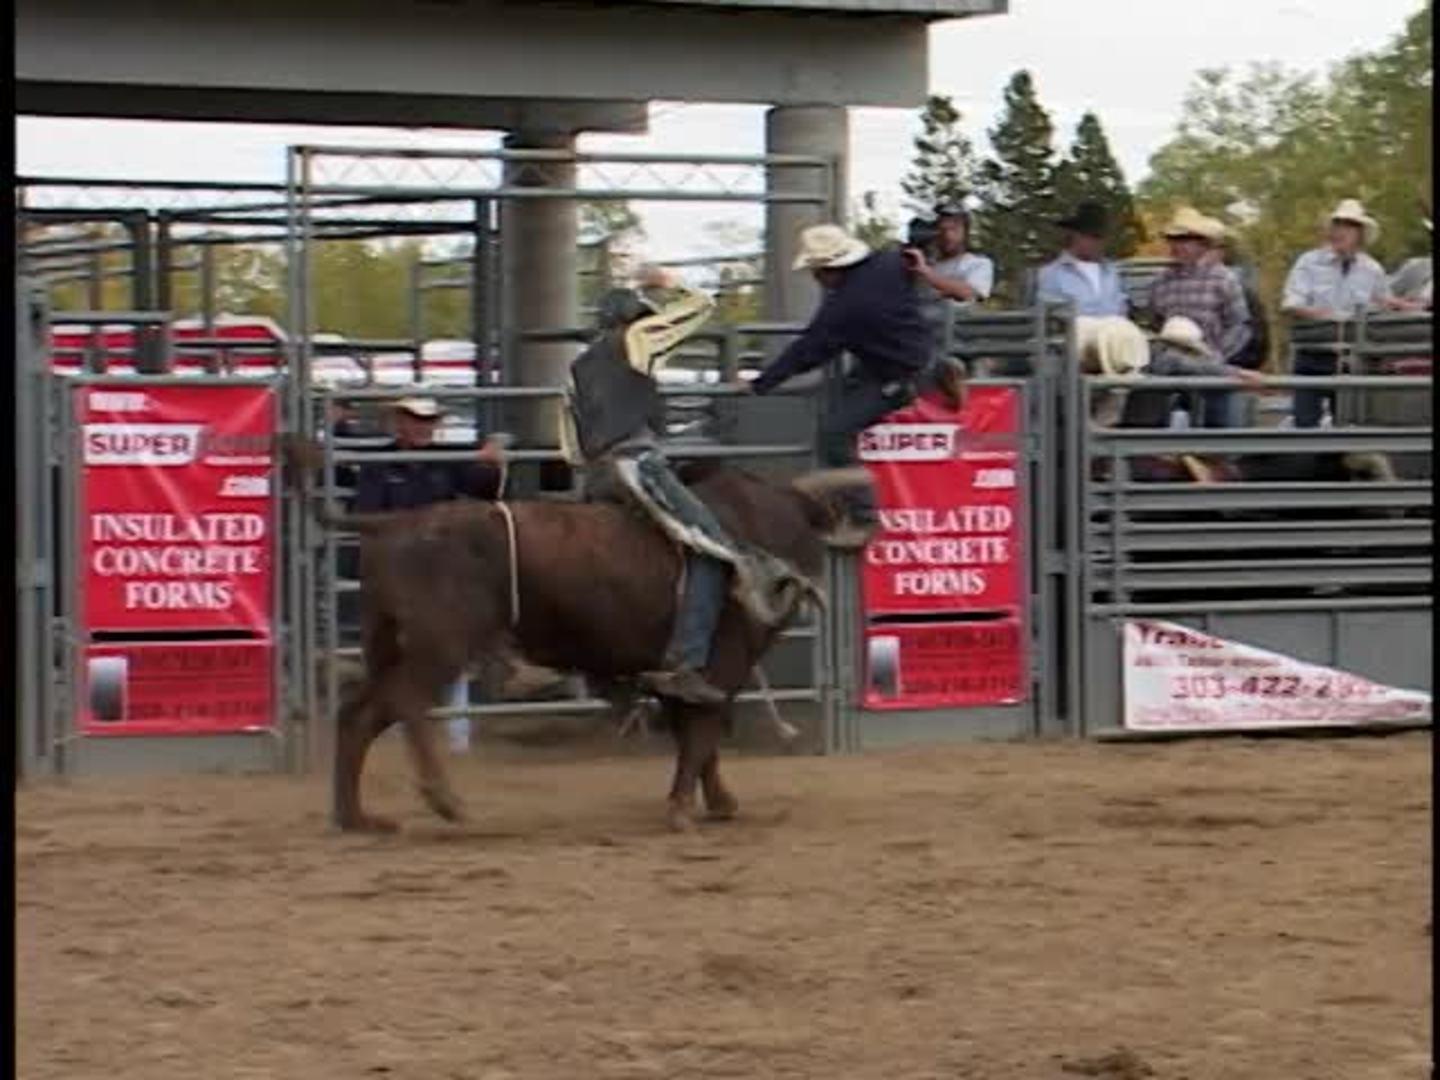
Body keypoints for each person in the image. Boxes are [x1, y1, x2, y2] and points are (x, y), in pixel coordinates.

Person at [559, 266, 808, 707]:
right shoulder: (636, 339)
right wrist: (669, 282)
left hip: (597, 476)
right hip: (636, 466)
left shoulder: (575, 370)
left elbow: (571, 450)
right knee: (712, 551)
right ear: (635, 319)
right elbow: (701, 308)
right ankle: (686, 663)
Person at [747, 224, 930, 544]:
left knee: (835, 433)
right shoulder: (888, 262)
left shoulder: (846, 307)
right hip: (900, 354)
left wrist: (762, 382)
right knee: (848, 393)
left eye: (817, 271)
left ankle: (863, 514)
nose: (816, 279)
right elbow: (909, 256)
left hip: (896, 374)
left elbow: (809, 350)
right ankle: (939, 369)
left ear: (832, 269)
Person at [353, 397, 506, 751]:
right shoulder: (379, 464)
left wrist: (492, 465)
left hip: (440, 575)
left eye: (428, 421)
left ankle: (455, 736)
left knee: (450, 647)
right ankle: (395, 732)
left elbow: (485, 489)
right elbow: (367, 516)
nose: (423, 427)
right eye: (415, 420)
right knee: (393, 652)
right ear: (398, 422)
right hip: (398, 572)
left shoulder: (448, 459)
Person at [1281, 199, 1414, 427]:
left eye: (1348, 225)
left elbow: (1382, 303)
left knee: (1347, 425)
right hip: (1313, 354)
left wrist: (1400, 306)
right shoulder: (1309, 263)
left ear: (1360, 233)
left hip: (1353, 359)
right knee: (1304, 424)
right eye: (1337, 224)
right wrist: (1328, 317)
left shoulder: (1372, 269)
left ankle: (1333, 459)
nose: (1340, 231)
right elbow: (1291, 304)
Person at [1114, 316, 1263, 483]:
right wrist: (1237, 374)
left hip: (1141, 441)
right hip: (1141, 445)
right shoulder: (1162, 358)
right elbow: (1185, 365)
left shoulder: (1154, 358)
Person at [1147, 207, 1252, 428]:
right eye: (1173, 239)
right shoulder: (1159, 282)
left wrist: (1219, 354)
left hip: (1211, 365)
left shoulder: (1223, 279)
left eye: (1184, 239)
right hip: (1170, 369)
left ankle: (1221, 456)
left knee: (1221, 420)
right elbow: (1154, 324)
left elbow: (1240, 325)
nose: (1176, 245)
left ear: (1201, 244)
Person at [1035, 201, 1150, 382]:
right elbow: (1050, 315)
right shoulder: (1052, 274)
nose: (1097, 242)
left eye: (1100, 237)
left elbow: (1121, 307)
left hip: (1113, 344)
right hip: (1074, 348)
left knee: (1129, 357)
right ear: (1075, 236)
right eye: (1091, 236)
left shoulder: (1111, 272)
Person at [904, 204, 994, 364]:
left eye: (954, 229)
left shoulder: (977, 263)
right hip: (918, 342)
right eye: (942, 229)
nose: (947, 235)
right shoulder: (920, 263)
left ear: (965, 232)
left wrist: (928, 274)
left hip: (958, 346)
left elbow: (968, 293)